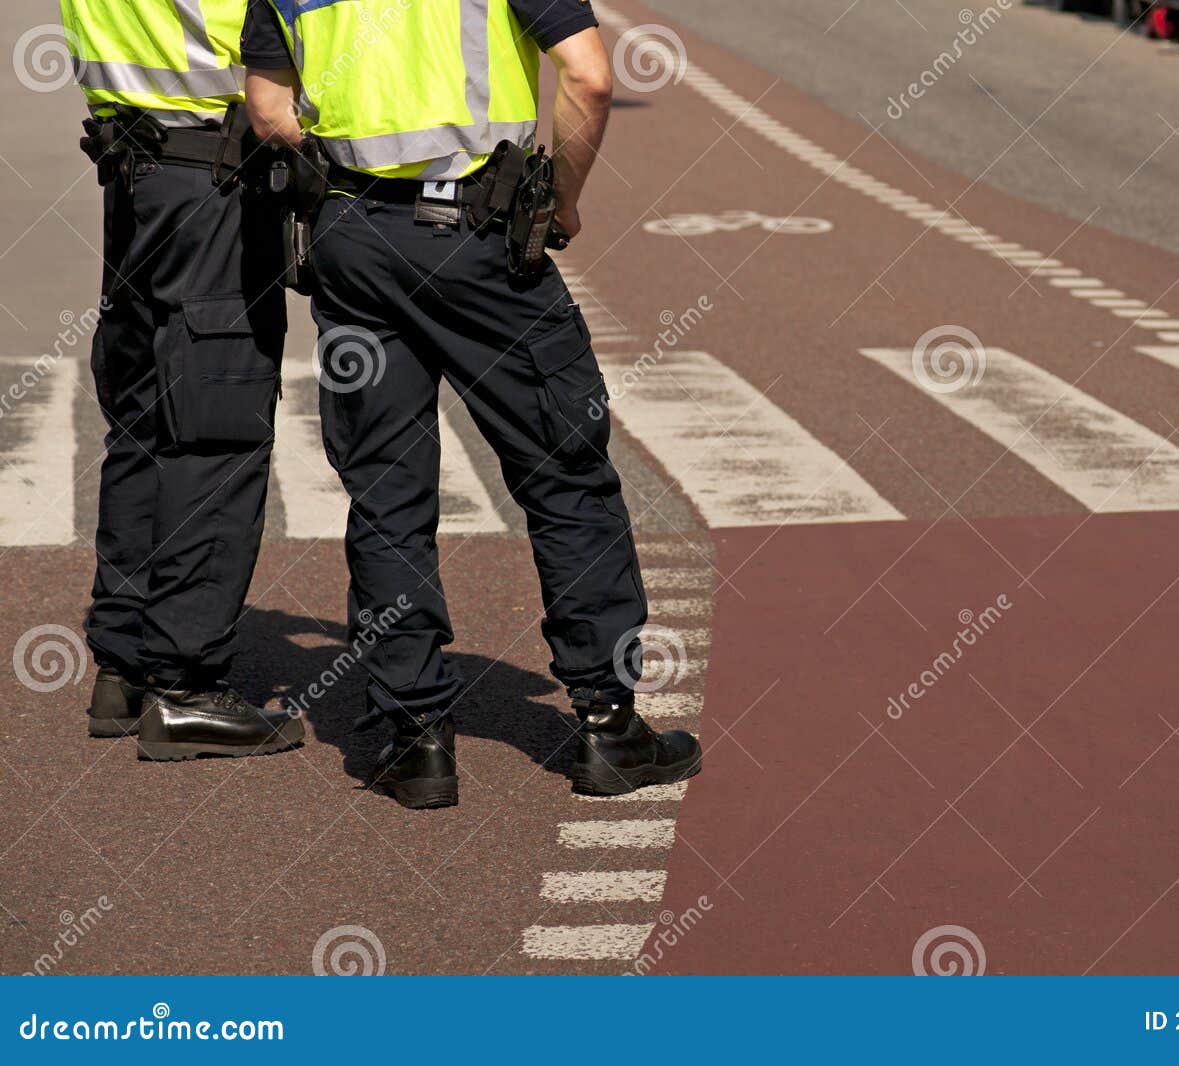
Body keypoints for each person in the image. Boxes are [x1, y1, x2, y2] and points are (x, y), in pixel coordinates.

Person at [241, 0, 700, 809]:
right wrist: (559, 196)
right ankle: (608, 727)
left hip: (351, 241)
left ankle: (414, 741)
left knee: (387, 492)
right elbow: (589, 79)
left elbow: (268, 106)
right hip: (482, 238)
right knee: (565, 474)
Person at [61, 0, 303, 760]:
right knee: (215, 428)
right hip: (215, 176)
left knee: (142, 421)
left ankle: (124, 665)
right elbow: (272, 31)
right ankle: (189, 686)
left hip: (132, 168)